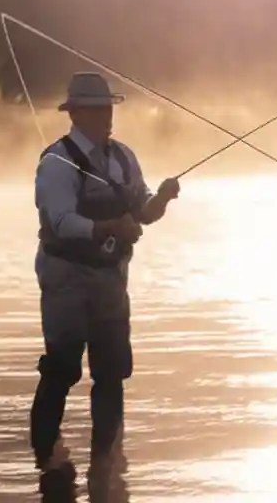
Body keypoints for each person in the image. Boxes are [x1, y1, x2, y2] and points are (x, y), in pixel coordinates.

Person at [30, 72, 180, 481]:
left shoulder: (124, 157)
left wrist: (161, 199)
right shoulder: (55, 163)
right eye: (97, 109)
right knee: (61, 370)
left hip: (111, 280)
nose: (105, 115)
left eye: (108, 107)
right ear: (75, 113)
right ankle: (47, 466)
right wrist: (110, 227)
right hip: (66, 280)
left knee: (112, 372)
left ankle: (107, 468)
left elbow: (142, 210)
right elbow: (61, 222)